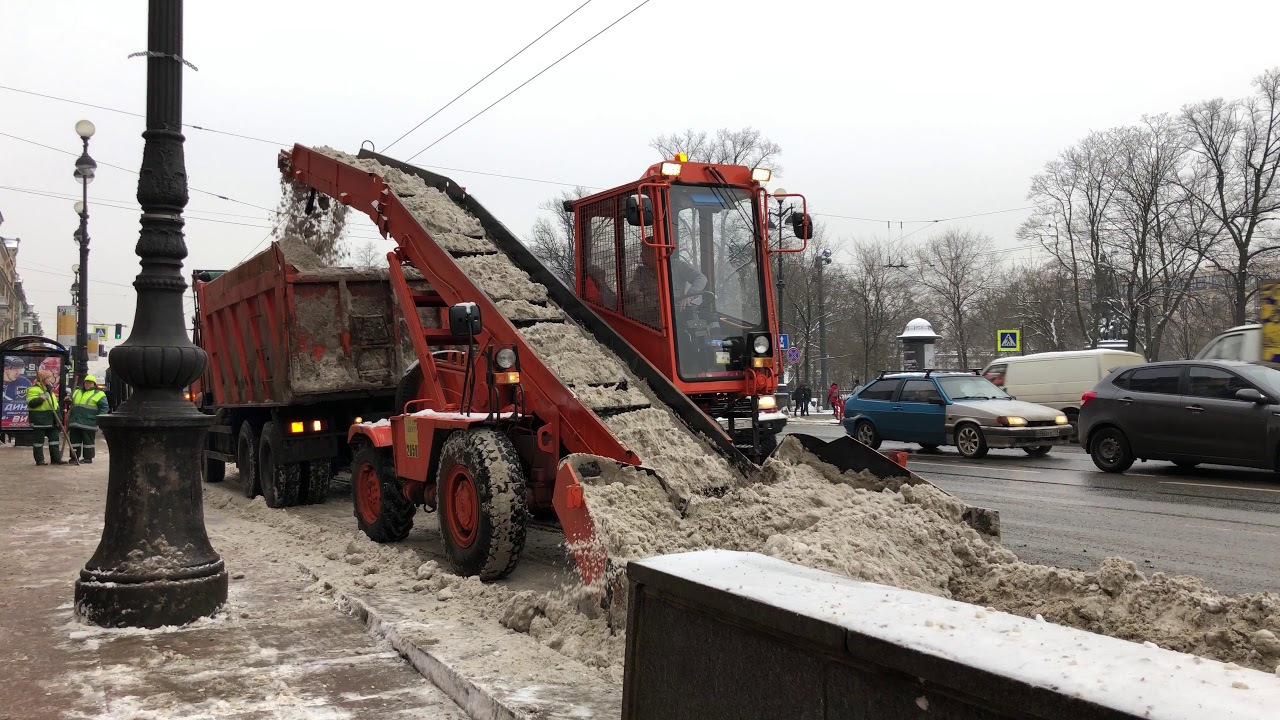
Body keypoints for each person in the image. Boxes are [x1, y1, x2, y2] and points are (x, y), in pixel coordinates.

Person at [68, 374, 109, 464]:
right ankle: (74, 457)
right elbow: (70, 401)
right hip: (75, 420)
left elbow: (104, 408)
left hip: (89, 422)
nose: (88, 384)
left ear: (94, 384)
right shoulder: (77, 391)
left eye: (90, 383)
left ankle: (88, 458)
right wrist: (67, 399)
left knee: (88, 442)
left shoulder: (99, 394)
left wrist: (100, 419)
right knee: (74, 441)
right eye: (86, 382)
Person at [26, 369, 63, 465]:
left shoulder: (50, 390)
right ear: (43, 379)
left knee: (54, 441)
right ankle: (39, 460)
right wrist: (41, 399)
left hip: (52, 420)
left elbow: (55, 405)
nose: (50, 379)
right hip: (40, 420)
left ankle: (56, 459)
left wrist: (59, 419)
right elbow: (31, 403)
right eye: (48, 377)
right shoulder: (33, 390)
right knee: (38, 442)